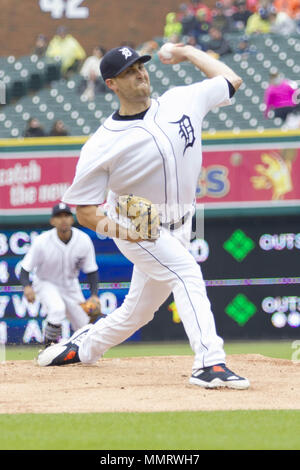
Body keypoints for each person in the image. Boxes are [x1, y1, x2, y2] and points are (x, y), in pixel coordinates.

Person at [37, 44, 250, 390]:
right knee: (186, 273)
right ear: (112, 84)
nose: (140, 74)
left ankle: (80, 346)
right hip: (138, 229)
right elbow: (86, 213)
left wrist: (186, 51)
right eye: (129, 71)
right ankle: (210, 363)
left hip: (181, 225)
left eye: (140, 66)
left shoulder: (182, 100)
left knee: (138, 312)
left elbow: (232, 79)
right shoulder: (101, 144)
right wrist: (124, 232)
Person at [20, 203, 100, 347]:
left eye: (66, 215)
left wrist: (94, 295)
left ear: (72, 219)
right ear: (52, 221)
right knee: (57, 310)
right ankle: (47, 350)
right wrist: (27, 287)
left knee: (84, 325)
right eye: (59, 216)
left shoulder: (83, 240)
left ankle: (85, 355)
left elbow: (91, 270)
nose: (63, 219)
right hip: (45, 282)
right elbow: (25, 268)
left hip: (70, 285)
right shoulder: (42, 241)